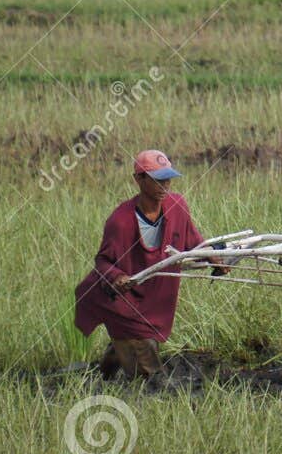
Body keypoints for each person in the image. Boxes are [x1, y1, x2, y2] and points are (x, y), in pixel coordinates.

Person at [73, 150, 213, 379]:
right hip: (121, 300)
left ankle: (108, 368)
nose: (164, 185)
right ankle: (144, 387)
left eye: (167, 179)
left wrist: (213, 255)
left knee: (136, 344)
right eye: (158, 180)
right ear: (139, 179)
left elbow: (193, 242)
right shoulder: (121, 221)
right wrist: (116, 276)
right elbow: (103, 261)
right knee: (149, 375)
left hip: (151, 300)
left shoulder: (177, 206)